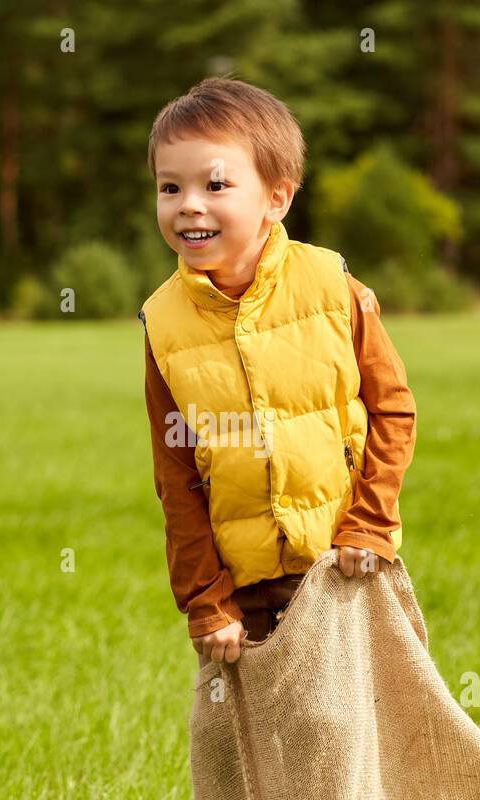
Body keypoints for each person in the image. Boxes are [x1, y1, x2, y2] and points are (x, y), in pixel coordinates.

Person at [140, 75, 417, 667]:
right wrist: (206, 599)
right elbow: (176, 473)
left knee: (361, 737)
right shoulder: (163, 323)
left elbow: (393, 408)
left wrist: (368, 526)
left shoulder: (330, 285)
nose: (189, 203)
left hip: (344, 565)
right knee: (266, 746)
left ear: (277, 199)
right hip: (245, 589)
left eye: (215, 184)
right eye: (170, 186)